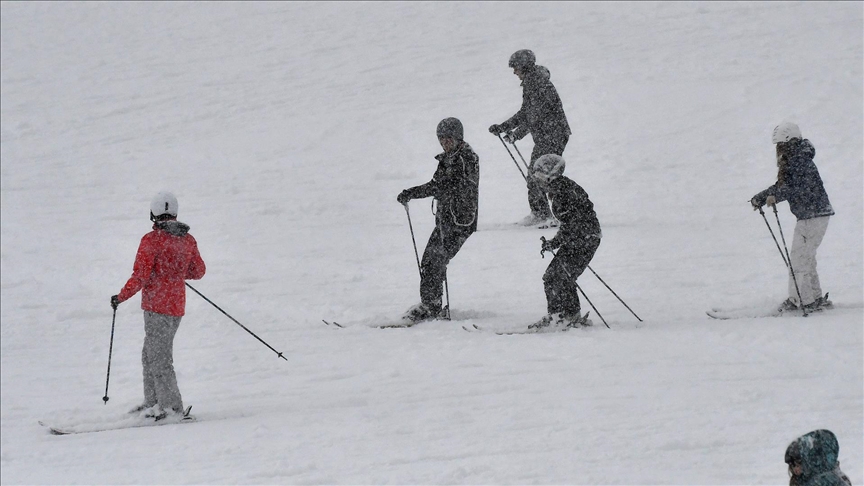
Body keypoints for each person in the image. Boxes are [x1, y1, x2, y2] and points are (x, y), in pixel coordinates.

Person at [111, 191, 206, 420]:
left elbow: (140, 276)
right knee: (150, 355)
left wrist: (120, 297)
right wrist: (176, 271)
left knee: (159, 357)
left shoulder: (151, 240)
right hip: (176, 307)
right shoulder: (188, 239)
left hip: (156, 307)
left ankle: (171, 408)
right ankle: (153, 402)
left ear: (153, 213)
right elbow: (198, 271)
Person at [397, 118, 480, 322]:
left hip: (460, 221)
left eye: (448, 139)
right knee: (430, 260)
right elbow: (436, 184)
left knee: (436, 260)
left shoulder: (466, 158)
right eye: (441, 139)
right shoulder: (448, 158)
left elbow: (449, 186)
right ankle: (430, 303)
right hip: (446, 219)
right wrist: (412, 192)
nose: (444, 143)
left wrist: (415, 193)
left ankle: (431, 305)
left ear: (458, 138)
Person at [750, 122, 834, 313]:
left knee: (798, 260)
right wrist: (763, 197)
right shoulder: (799, 158)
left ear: (790, 142)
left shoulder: (798, 160)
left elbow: (789, 188)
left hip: (812, 216)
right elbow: (786, 186)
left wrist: (768, 197)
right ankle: (814, 297)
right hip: (814, 214)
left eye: (781, 145)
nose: (779, 150)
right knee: (806, 258)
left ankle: (801, 301)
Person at [489, 49, 571, 227]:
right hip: (548, 135)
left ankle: (548, 215)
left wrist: (515, 134)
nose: (514, 72)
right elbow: (525, 113)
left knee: (540, 175)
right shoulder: (532, 83)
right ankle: (542, 213)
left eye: (515, 68)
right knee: (540, 175)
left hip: (553, 135)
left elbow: (536, 116)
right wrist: (503, 127)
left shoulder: (539, 84)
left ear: (524, 66)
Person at [530, 154, 600, 331]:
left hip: (584, 240)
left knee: (557, 276)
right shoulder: (560, 189)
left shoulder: (562, 192)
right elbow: (571, 223)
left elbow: (573, 223)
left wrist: (557, 242)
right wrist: (555, 242)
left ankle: (562, 316)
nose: (536, 181)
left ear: (549, 175)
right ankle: (565, 315)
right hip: (582, 238)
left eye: (538, 176)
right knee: (559, 277)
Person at [784, 429, 852, 486]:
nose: (796, 469)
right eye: (792, 466)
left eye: (798, 464)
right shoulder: (798, 480)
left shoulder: (831, 479)